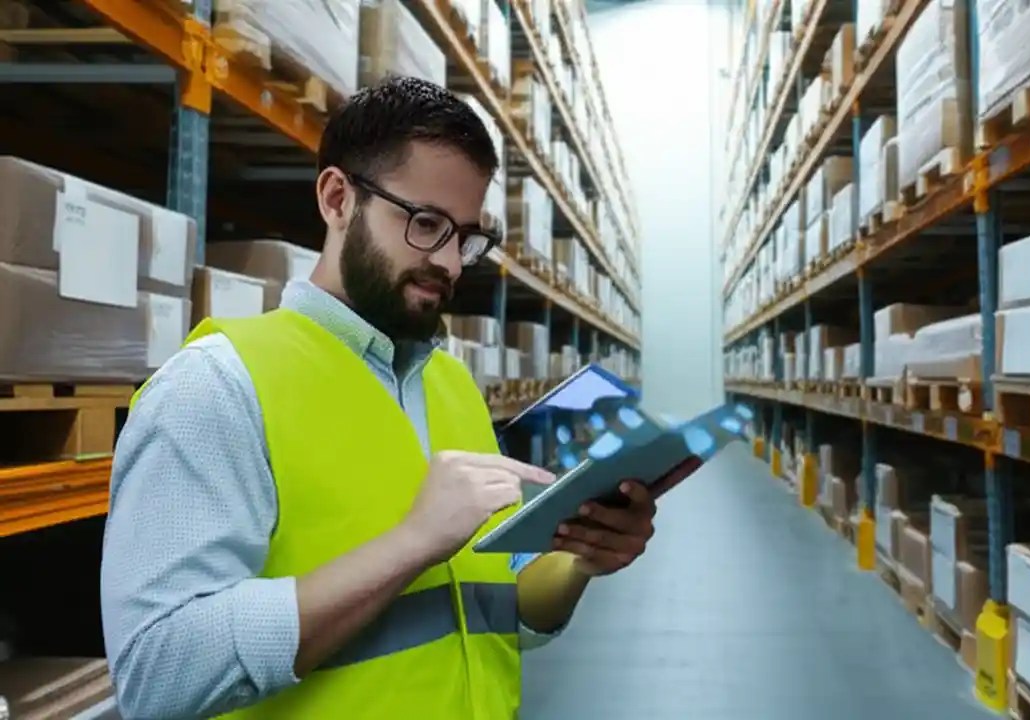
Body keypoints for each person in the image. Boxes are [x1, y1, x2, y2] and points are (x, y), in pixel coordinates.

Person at [100, 76, 682, 719]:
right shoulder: (216, 388)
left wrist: (580, 562)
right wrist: (412, 544)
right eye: (427, 224)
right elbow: (156, 675)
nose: (451, 264)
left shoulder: (452, 385)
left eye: (466, 238)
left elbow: (496, 617)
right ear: (337, 199)